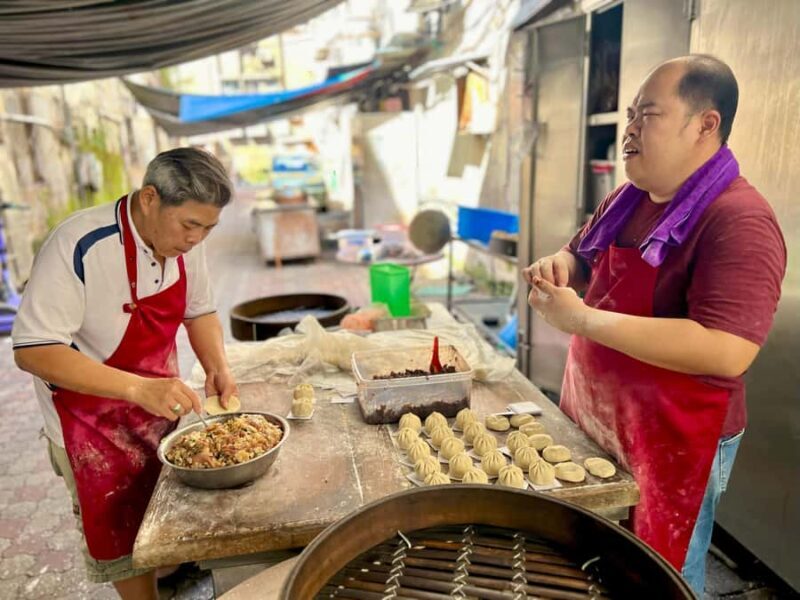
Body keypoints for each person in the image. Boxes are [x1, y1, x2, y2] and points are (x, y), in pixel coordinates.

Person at [523, 55, 785, 594]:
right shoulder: (629, 200)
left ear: (705, 125)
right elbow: (582, 256)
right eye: (629, 115)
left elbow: (726, 348)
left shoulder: (739, 219)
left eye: (648, 115)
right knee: (594, 564)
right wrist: (561, 266)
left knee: (660, 575)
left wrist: (582, 319)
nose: (630, 130)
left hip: (675, 437)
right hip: (602, 417)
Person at [12, 147, 239, 599]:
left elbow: (199, 310)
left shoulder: (185, 243)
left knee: (161, 517)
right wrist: (136, 388)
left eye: (208, 228)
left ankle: (169, 576)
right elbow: (33, 348)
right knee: (120, 533)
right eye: (189, 225)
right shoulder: (79, 244)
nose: (196, 239)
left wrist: (217, 367)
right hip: (89, 425)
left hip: (158, 407)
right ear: (150, 198)